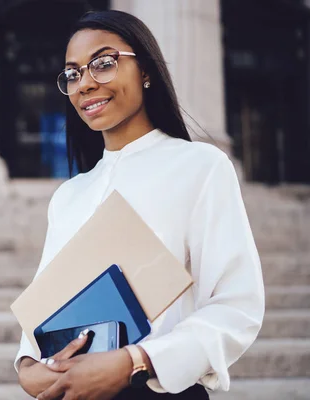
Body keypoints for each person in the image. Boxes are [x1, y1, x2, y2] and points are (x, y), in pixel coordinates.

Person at [15, 10, 264, 400]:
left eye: (103, 63)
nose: (85, 84)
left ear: (145, 70)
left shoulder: (199, 166)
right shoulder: (69, 195)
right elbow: (45, 314)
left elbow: (237, 306)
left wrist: (135, 359)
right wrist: (27, 364)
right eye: (73, 73)